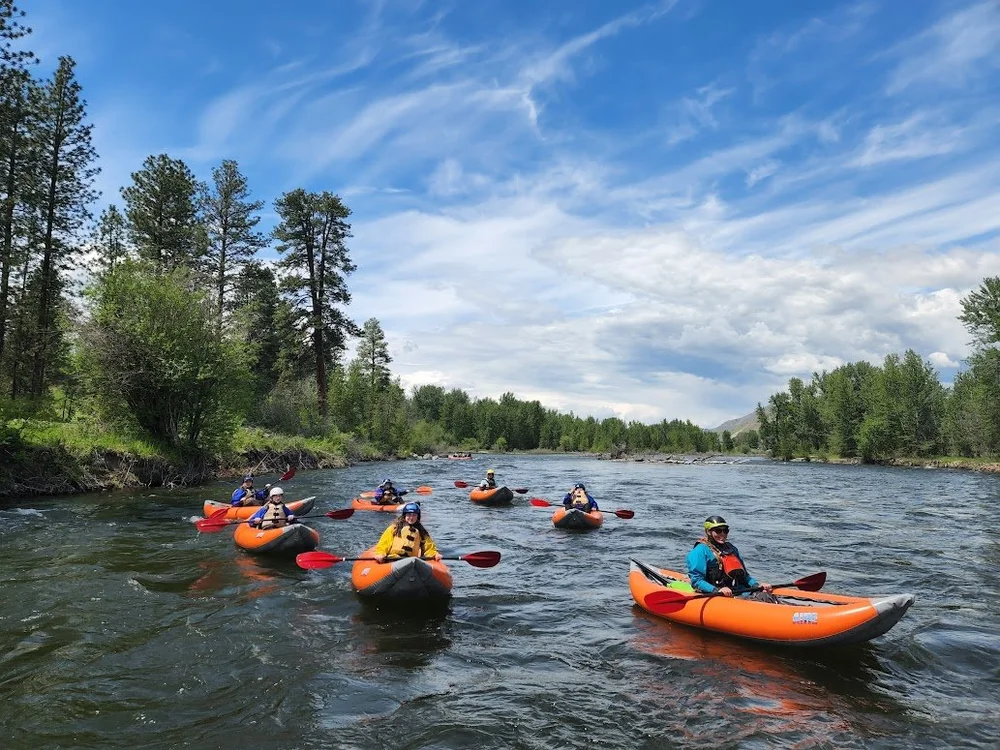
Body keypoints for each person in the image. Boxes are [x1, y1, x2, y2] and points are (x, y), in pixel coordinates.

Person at [686, 516, 775, 602]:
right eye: (718, 531)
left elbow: (745, 576)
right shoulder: (700, 551)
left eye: (725, 531)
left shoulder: (731, 549)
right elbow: (696, 580)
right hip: (713, 593)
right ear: (708, 532)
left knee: (765, 595)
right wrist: (716, 590)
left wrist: (757, 586)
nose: (722, 534)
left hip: (735, 590)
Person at [373, 502, 442, 562]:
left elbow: (429, 547)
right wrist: (381, 553)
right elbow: (384, 542)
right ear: (404, 515)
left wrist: (434, 554)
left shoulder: (421, 531)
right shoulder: (395, 527)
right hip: (393, 558)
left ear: (418, 517)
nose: (411, 518)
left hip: (411, 560)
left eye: (414, 515)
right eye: (409, 515)